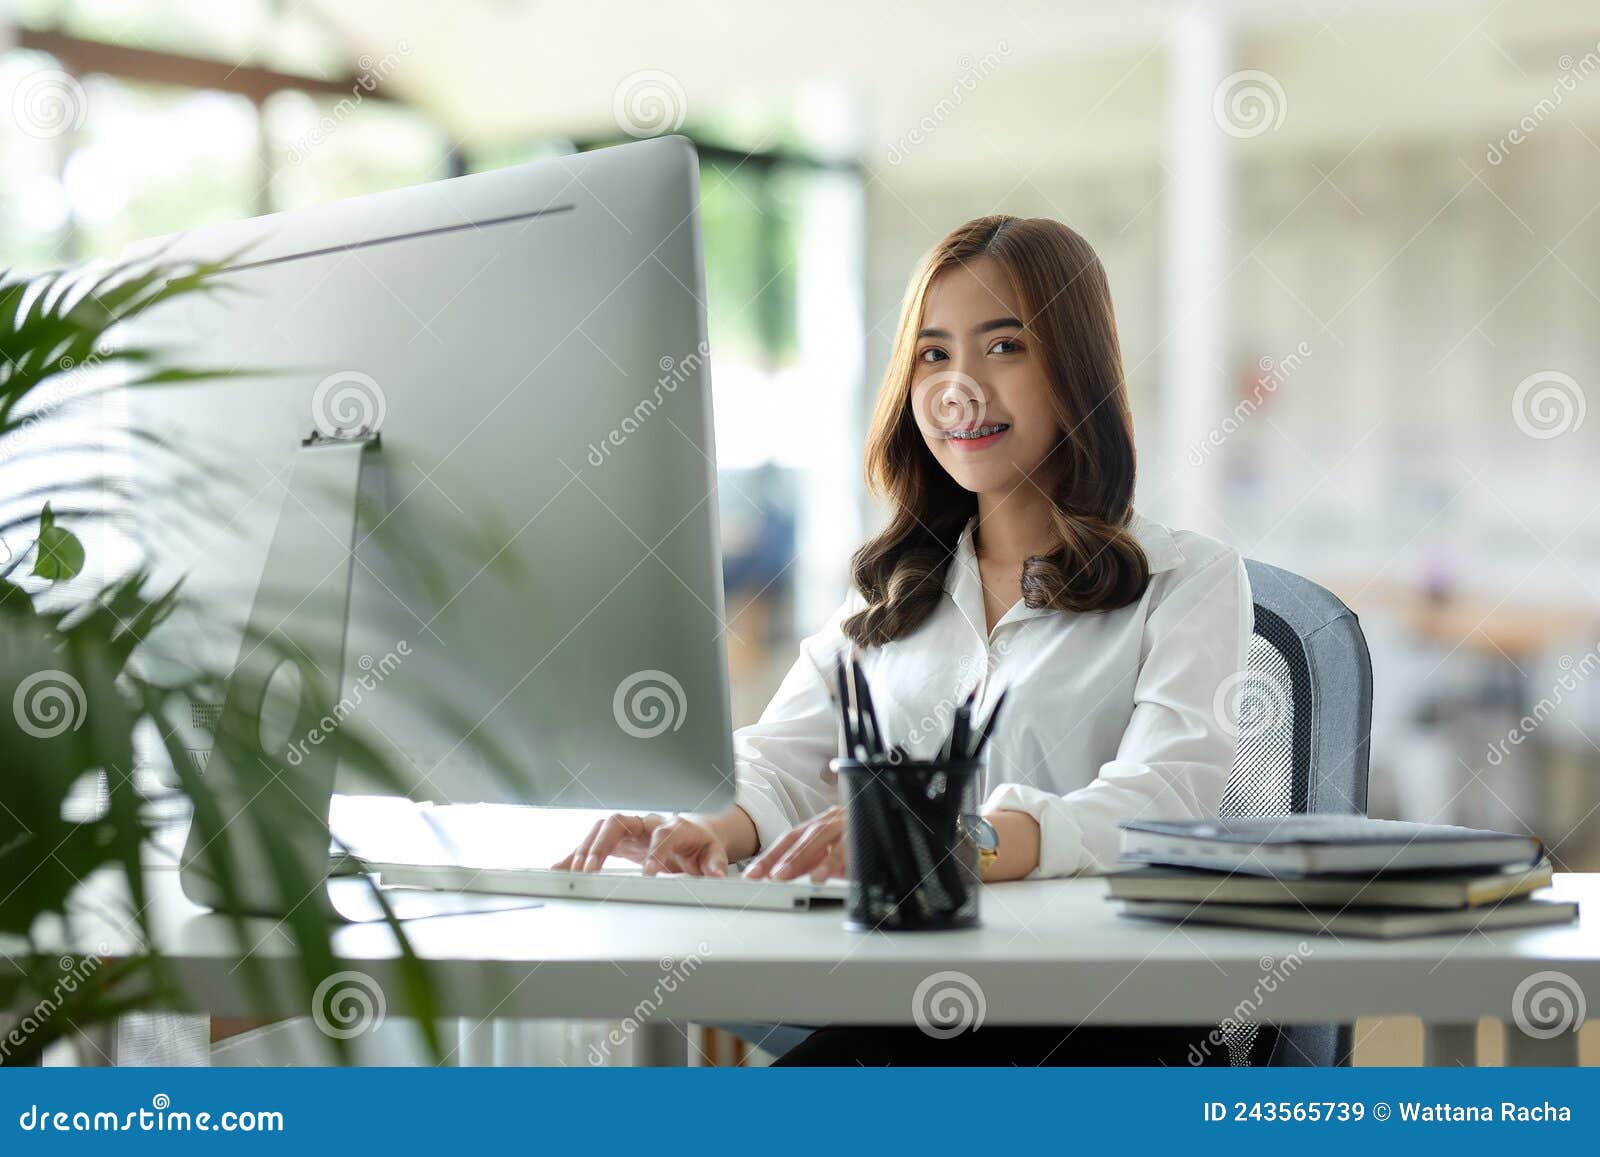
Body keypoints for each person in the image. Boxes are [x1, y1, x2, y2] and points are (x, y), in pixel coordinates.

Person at [555, 214, 1260, 1065]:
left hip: (1099, 1023)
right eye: (933, 354)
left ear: (1078, 369)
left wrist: (951, 841)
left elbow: (1160, 802)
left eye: (1004, 347)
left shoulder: (1189, 581)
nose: (960, 386)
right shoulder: (894, 587)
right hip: (910, 1000)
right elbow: (788, 757)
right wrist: (715, 822)